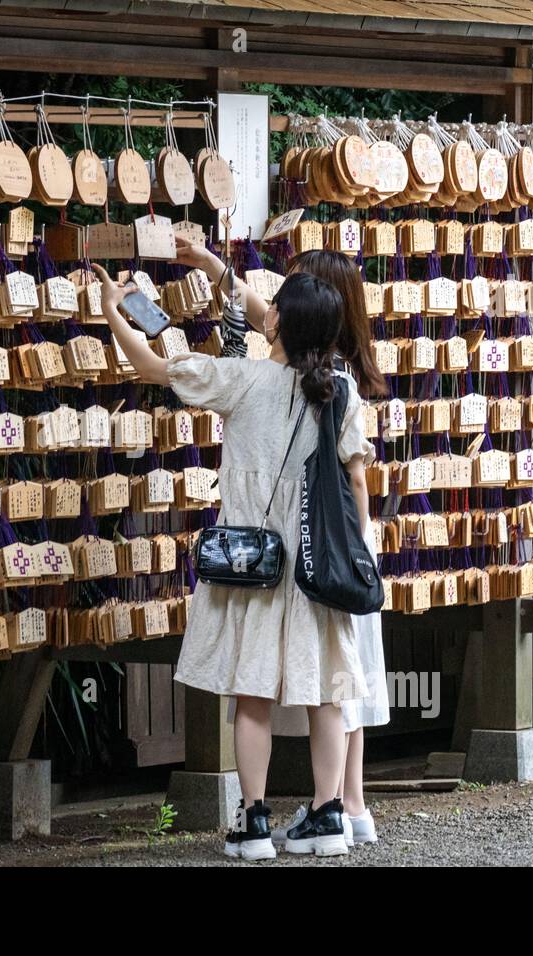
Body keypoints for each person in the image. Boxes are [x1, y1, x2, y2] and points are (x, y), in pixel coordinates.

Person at [92, 262, 374, 861]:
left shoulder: (241, 380)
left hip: (255, 566)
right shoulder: (341, 392)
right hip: (319, 569)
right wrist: (362, 555)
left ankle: (253, 823)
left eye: (273, 305)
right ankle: (327, 816)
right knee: (327, 693)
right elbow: (356, 485)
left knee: (253, 699)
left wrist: (115, 310)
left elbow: (151, 366)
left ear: (277, 323)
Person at [174, 238, 390, 847]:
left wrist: (123, 319)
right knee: (335, 681)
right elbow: (355, 477)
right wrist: (361, 545)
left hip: (282, 559)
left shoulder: (264, 379)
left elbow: (246, 320)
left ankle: (262, 814)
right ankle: (340, 808)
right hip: (336, 554)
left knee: (262, 690)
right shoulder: (338, 380)